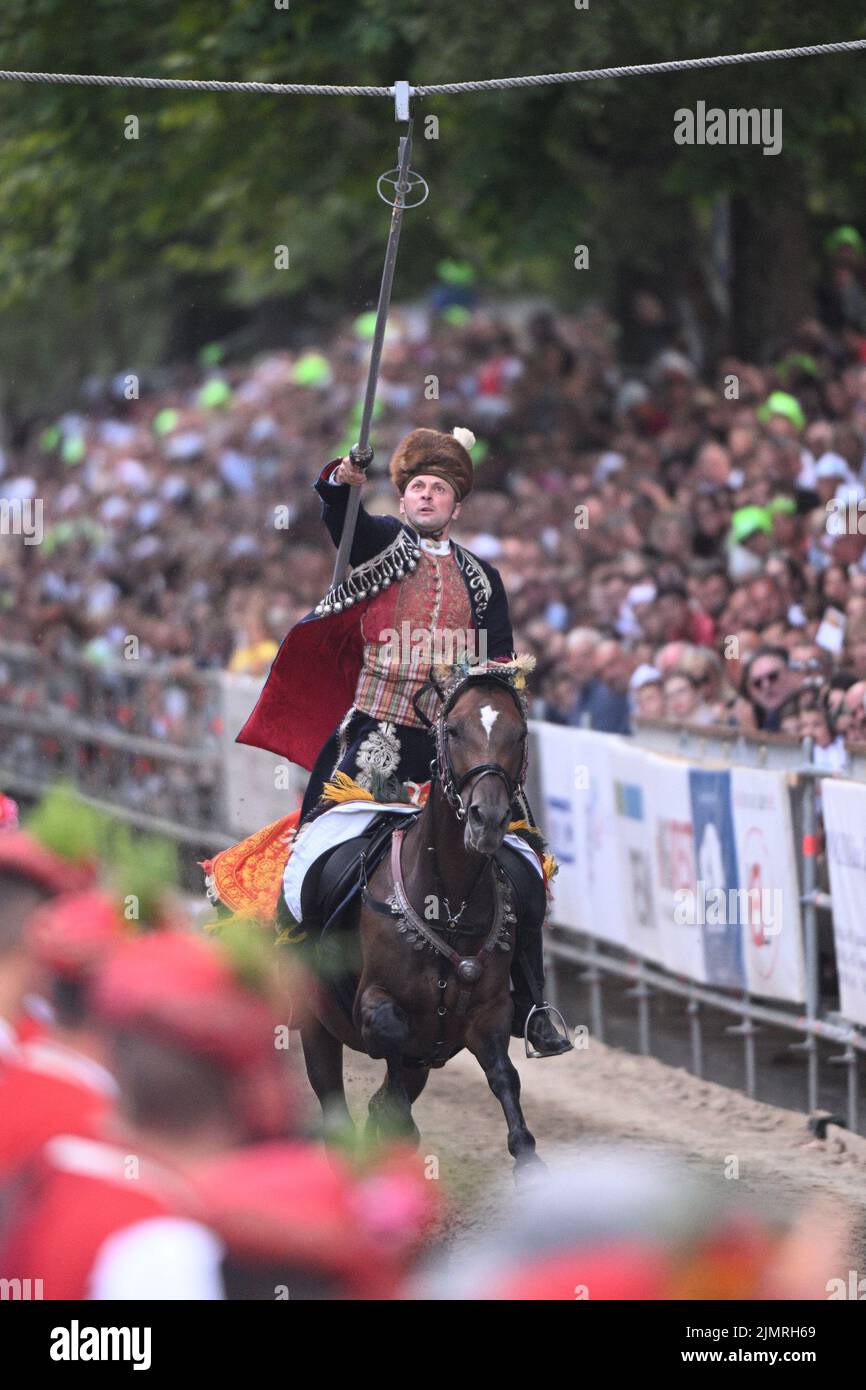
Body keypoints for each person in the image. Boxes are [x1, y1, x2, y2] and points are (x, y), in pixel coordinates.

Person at [236, 426, 569, 1057]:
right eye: (415, 486)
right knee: (312, 853)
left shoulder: (483, 579)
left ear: (456, 505)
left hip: (457, 754)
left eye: (436, 489)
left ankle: (532, 1005)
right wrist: (344, 482)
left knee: (523, 870)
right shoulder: (384, 543)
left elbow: (496, 669)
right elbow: (346, 522)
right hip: (374, 740)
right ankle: (290, 975)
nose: (423, 497)